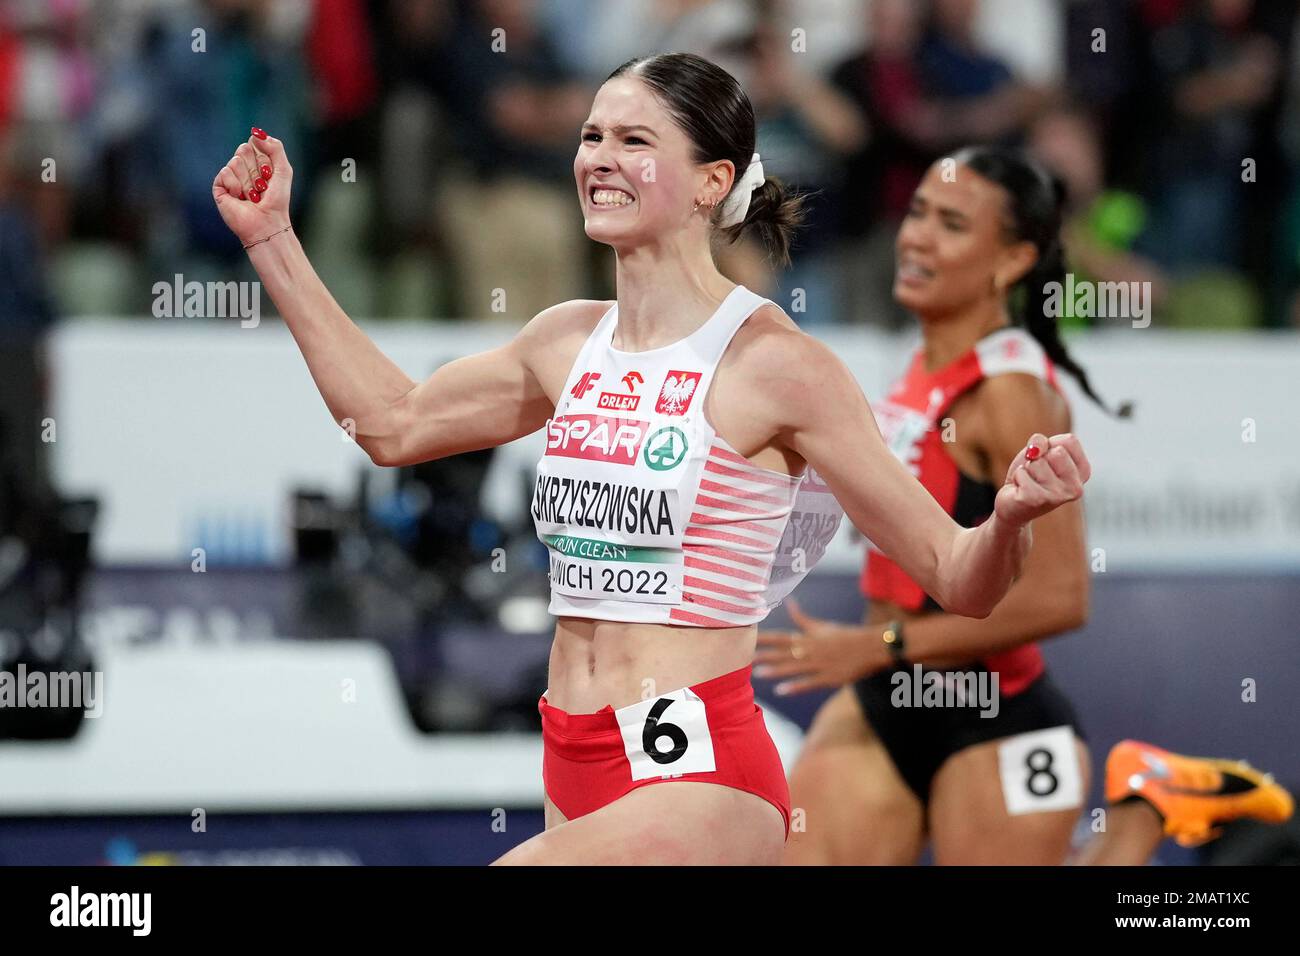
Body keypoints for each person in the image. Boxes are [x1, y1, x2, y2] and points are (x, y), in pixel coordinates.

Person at [212, 54, 1091, 865]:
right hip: (574, 756)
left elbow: (958, 576)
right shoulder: (562, 340)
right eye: (592, 134)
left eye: (635, 140)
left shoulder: (776, 366)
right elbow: (390, 425)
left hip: (700, 771)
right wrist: (271, 242)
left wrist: (1010, 515)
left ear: (714, 180)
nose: (599, 156)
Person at [755, 146, 1291, 865]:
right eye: (916, 213)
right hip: (886, 701)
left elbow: (1062, 598)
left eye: (950, 224)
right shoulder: (920, 362)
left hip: (994, 714)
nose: (916, 237)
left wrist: (876, 644)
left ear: (1009, 262)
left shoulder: (1011, 393)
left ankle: (1142, 809)